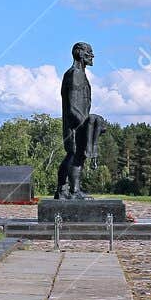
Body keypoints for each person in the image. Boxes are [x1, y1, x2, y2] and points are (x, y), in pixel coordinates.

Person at [54, 42, 100, 199]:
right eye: (89, 52)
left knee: (73, 155)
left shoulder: (78, 74)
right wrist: (85, 125)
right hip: (75, 124)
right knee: (75, 155)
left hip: (77, 122)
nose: (92, 56)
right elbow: (73, 107)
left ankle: (64, 189)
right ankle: (72, 190)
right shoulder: (75, 74)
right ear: (80, 54)